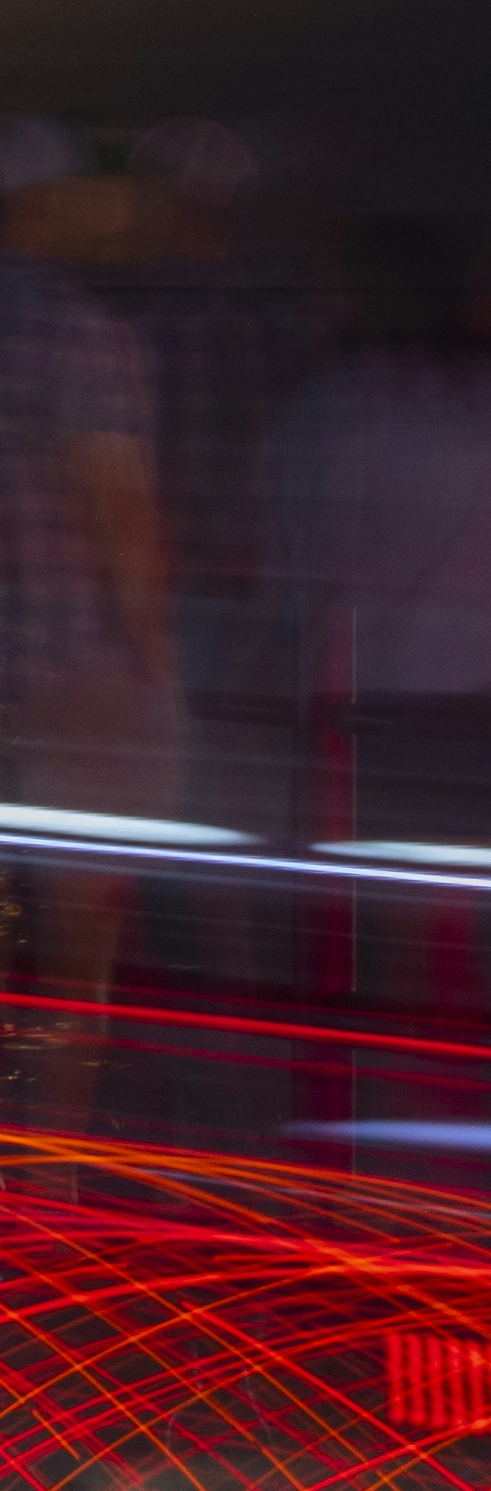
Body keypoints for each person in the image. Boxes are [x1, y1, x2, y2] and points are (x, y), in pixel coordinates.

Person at [0, 126, 181, 1128]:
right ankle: (56, 1168)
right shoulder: (86, 337)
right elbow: (121, 513)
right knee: (80, 940)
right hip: (80, 670)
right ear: (46, 209)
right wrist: (157, 664)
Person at [284, 216, 491, 1076]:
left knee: (405, 916)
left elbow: (308, 569)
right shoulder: (474, 406)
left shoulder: (336, 410)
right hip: (478, 684)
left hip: (391, 690)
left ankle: (417, 1088)